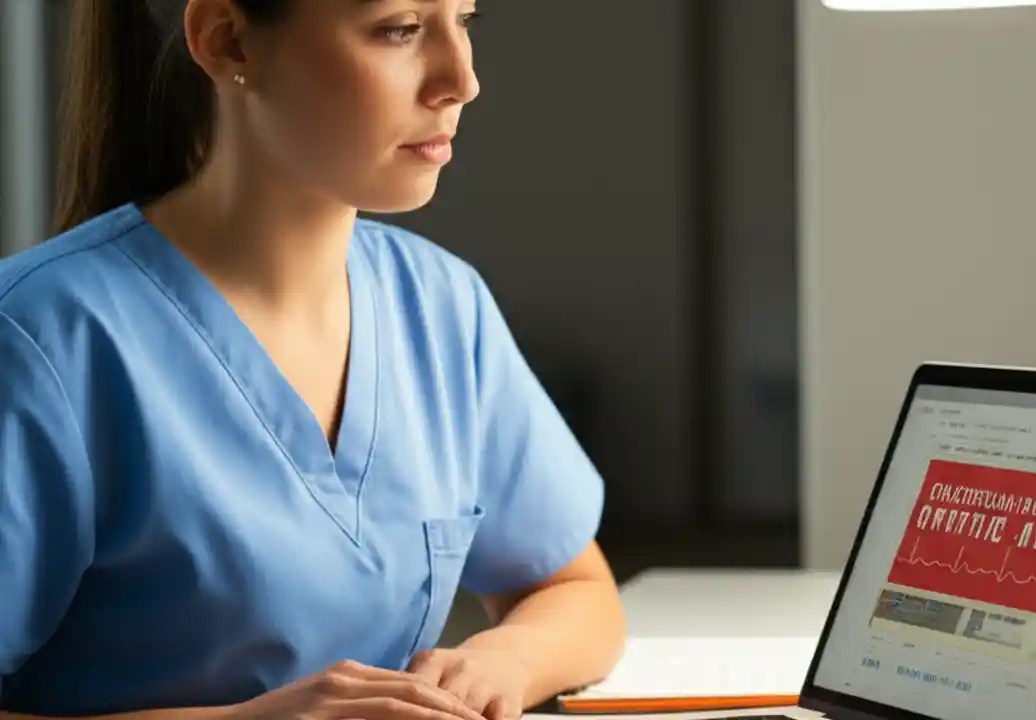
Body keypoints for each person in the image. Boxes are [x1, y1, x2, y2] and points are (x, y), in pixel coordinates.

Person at [0, 0, 626, 717]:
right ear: (230, 42)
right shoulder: (38, 340)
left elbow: (573, 589)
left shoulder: (442, 305)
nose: (462, 79)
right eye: (401, 30)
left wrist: (501, 661)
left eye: (466, 21)